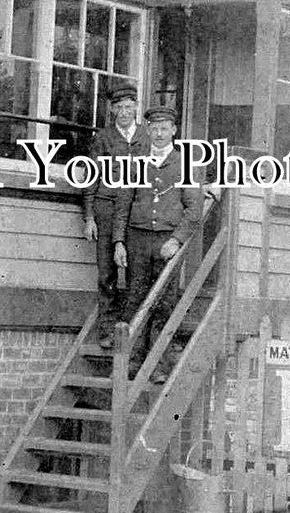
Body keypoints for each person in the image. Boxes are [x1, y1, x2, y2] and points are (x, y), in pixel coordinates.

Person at [112, 105, 203, 383]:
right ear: (148, 131)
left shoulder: (185, 164)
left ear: (174, 130)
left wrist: (176, 239)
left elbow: (194, 209)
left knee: (164, 303)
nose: (159, 134)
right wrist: (119, 241)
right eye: (154, 129)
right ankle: (133, 362)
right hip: (137, 240)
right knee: (135, 298)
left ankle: (158, 366)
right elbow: (123, 204)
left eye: (164, 128)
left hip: (166, 242)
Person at [84, 83, 150, 348]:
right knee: (106, 272)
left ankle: (132, 327)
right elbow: (91, 178)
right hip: (107, 208)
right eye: (119, 108)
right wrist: (89, 217)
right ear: (112, 110)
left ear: (136, 108)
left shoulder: (147, 137)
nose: (124, 112)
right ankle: (107, 330)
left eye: (128, 107)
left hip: (137, 210)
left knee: (137, 270)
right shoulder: (103, 138)